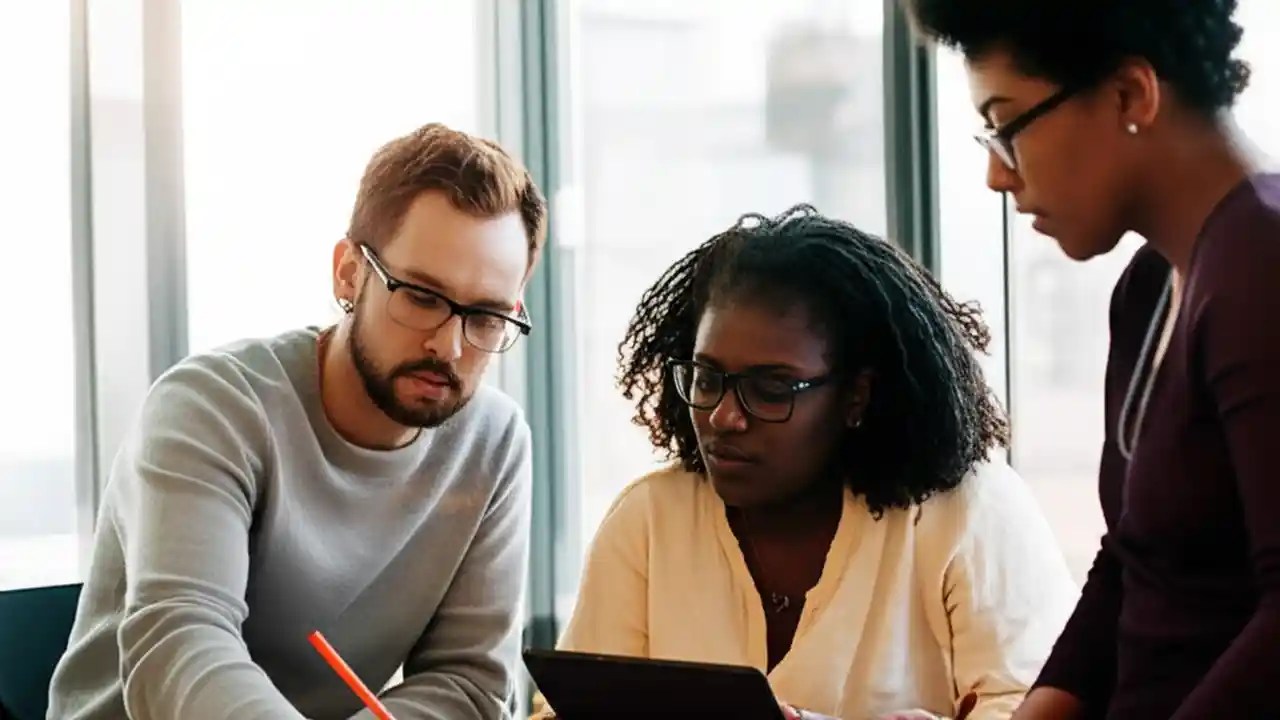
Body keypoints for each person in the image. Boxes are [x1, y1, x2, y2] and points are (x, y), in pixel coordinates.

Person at [47, 123, 545, 719]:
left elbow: (467, 684)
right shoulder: (212, 408)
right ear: (348, 273)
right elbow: (182, 647)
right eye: (420, 296)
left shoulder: (493, 444)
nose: (451, 345)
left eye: (486, 317)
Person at [540, 206, 1077, 719]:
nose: (725, 417)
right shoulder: (651, 518)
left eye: (771, 389)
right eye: (706, 380)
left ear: (856, 396)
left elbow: (1036, 704)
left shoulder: (966, 510)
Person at [907, 1, 1280, 718]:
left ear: (1130, 95)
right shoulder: (1150, 287)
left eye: (1007, 126)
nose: (995, 174)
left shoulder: (1262, 272)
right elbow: (1134, 562)